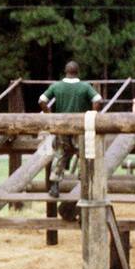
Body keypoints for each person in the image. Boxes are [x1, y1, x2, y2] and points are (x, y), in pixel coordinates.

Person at [38, 62, 103, 197]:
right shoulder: (85, 86)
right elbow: (98, 100)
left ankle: (55, 186)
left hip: (61, 125)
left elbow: (42, 100)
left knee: (60, 154)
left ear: (65, 71)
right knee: (82, 154)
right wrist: (91, 114)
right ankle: (83, 184)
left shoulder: (56, 86)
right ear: (78, 71)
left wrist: (50, 116)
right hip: (80, 126)